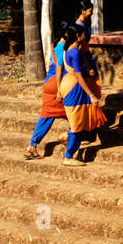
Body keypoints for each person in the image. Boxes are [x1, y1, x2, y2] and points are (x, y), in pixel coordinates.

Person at [58, 23, 107, 165]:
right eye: (84, 34)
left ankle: (70, 150)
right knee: (76, 124)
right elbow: (79, 76)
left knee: (77, 122)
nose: (86, 36)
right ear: (78, 36)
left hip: (70, 86)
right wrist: (91, 94)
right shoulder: (74, 52)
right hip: (73, 87)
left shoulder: (70, 49)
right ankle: (68, 156)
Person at [26, 23, 73, 159]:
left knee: (47, 115)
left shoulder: (54, 44)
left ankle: (33, 144)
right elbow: (59, 69)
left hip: (48, 82)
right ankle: (68, 134)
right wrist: (59, 89)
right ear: (66, 34)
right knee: (72, 110)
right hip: (56, 83)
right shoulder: (63, 47)